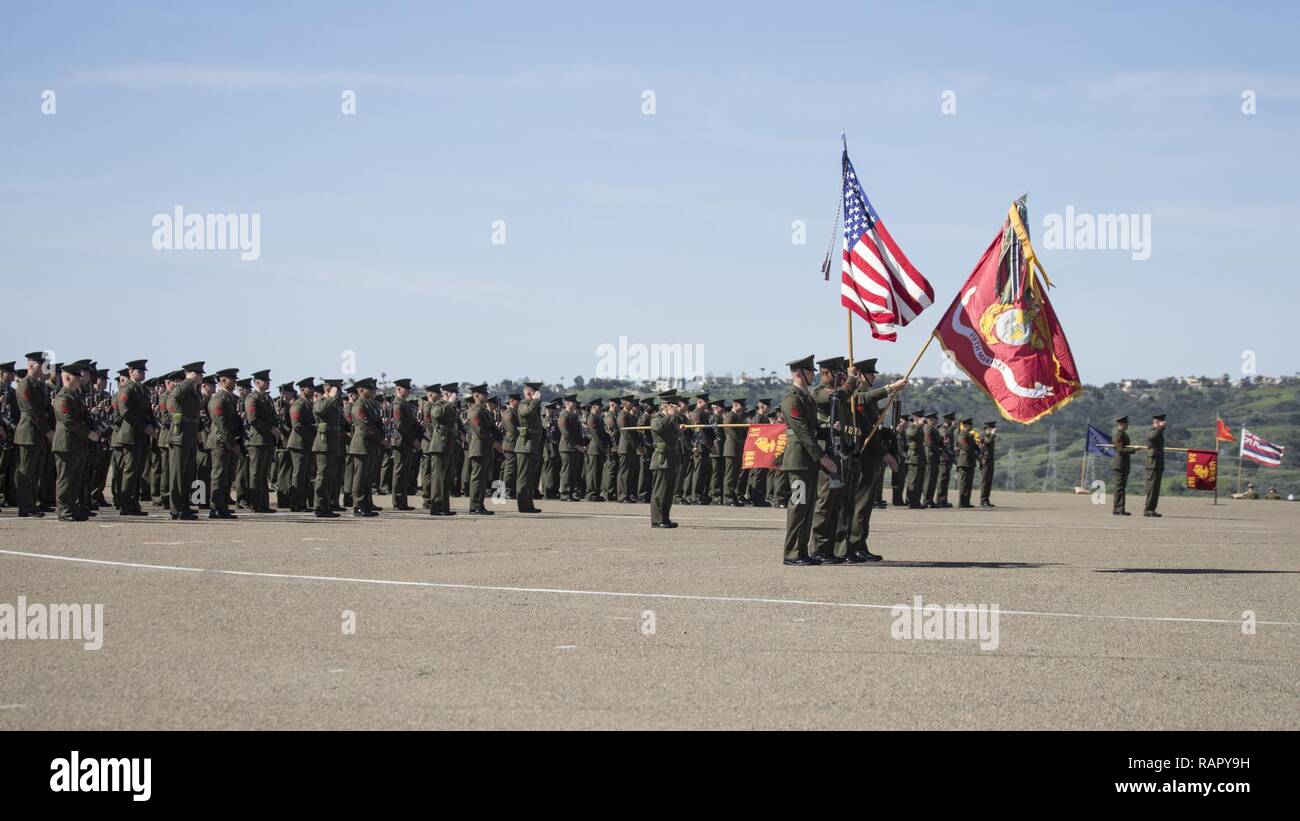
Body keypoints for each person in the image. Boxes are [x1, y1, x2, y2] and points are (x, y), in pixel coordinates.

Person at [843, 359, 906, 562]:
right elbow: (862, 405)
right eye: (870, 374)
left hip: (871, 458)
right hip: (862, 457)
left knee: (866, 504)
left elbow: (872, 426)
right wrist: (889, 388)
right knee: (860, 505)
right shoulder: (855, 395)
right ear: (860, 375)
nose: (874, 378)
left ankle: (861, 543)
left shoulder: (867, 398)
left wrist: (888, 431)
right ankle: (854, 544)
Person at [780, 356, 839, 566]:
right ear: (798, 373)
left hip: (808, 461)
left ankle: (801, 551)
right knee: (798, 506)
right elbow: (802, 431)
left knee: (807, 507)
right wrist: (821, 456)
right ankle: (792, 553)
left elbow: (813, 428)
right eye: (810, 371)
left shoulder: (806, 397)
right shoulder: (792, 398)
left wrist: (829, 429)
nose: (814, 374)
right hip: (798, 461)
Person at [52, 362, 99, 521]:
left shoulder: (75, 396)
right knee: (65, 479)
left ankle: (73, 508)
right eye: (76, 377)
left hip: (76, 444)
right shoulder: (62, 397)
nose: (79, 380)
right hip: (66, 444)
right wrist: (88, 434)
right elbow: (69, 421)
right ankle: (64, 510)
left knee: (75, 480)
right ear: (66, 378)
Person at [14, 351, 53, 517]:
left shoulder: (38, 385)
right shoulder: (25, 385)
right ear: (31, 366)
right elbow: (32, 411)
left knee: (36, 471)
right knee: (26, 472)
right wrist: (48, 431)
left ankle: (33, 503)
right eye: (40, 365)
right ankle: (25, 506)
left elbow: (44, 409)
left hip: (37, 433)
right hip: (28, 432)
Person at [167, 362, 206, 520]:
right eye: (199, 374)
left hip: (190, 437)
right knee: (177, 475)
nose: (202, 377)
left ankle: (184, 507)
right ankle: (175, 509)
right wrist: (188, 380)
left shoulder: (194, 391)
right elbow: (172, 399)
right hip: (180, 437)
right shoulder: (185, 387)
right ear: (192, 374)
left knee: (188, 475)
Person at [206, 368, 242, 519]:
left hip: (230, 442)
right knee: (219, 476)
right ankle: (215, 507)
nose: (234, 382)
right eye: (231, 379)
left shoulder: (231, 398)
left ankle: (223, 506)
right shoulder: (218, 399)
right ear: (222, 380)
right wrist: (232, 444)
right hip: (221, 442)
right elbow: (221, 424)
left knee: (227, 476)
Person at [244, 369, 280, 513]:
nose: (267, 383)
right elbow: (253, 419)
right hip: (257, 440)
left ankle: (264, 504)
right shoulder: (252, 398)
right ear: (257, 382)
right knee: (256, 473)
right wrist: (270, 429)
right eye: (265, 381)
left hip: (267, 441)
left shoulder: (267, 398)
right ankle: (255, 504)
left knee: (264, 474)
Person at [347, 377, 385, 516]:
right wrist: (381, 439)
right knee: (360, 477)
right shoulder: (359, 405)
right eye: (371, 389)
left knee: (368, 477)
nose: (374, 391)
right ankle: (358, 505)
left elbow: (377, 423)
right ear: (361, 390)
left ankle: (367, 503)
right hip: (361, 445)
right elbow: (366, 426)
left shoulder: (372, 404)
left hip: (371, 445)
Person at [648, 391, 683, 528]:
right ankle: (657, 520)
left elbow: (671, 437)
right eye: (674, 405)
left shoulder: (672, 419)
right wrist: (669, 415)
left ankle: (665, 518)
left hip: (671, 458)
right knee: (660, 491)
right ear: (666, 405)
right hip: (661, 459)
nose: (677, 408)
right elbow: (657, 428)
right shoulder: (657, 417)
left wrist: (679, 431)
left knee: (668, 492)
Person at [513, 382, 544, 513]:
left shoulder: (533, 405)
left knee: (530, 477)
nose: (536, 394)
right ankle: (523, 505)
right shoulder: (524, 404)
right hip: (525, 445)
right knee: (523, 477)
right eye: (533, 391)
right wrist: (536, 401)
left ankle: (528, 504)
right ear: (527, 392)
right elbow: (526, 413)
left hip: (532, 445)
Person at [1144, 412, 1166, 518]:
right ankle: (1148, 509)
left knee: (1155, 488)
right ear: (1157, 422)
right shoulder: (1152, 430)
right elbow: (1152, 437)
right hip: (1153, 463)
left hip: (1157, 463)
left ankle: (1151, 508)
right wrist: (1160, 428)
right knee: (1152, 487)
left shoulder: (1158, 431)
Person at [1111, 415, 1133, 516]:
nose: (1127, 425)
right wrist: (1134, 450)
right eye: (1126, 424)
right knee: (1119, 488)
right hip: (1120, 464)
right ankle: (1118, 509)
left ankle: (1120, 508)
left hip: (1124, 464)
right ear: (1121, 424)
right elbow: (1120, 450)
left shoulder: (1123, 434)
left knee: (1122, 487)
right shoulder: (1118, 435)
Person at [955, 418, 977, 508]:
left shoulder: (969, 436)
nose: (972, 426)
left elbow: (975, 447)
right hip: (964, 461)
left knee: (968, 483)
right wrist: (975, 453)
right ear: (965, 426)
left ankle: (966, 501)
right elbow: (966, 447)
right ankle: (962, 501)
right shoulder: (962, 436)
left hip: (970, 462)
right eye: (970, 425)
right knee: (963, 483)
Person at [979, 421, 998, 508]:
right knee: (985, 481)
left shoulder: (988, 435)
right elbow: (988, 442)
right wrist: (993, 434)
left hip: (990, 461)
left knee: (989, 481)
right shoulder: (984, 435)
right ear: (988, 428)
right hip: (985, 461)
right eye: (992, 428)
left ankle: (987, 499)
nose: (993, 429)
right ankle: (983, 500)